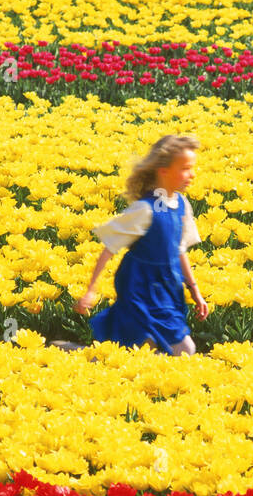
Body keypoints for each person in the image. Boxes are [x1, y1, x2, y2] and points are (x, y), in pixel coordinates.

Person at [76, 135, 209, 355]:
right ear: (163, 171)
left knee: (185, 348)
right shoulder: (145, 210)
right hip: (139, 288)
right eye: (185, 168)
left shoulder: (182, 205)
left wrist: (195, 291)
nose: (192, 174)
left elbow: (179, 249)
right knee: (145, 346)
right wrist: (90, 291)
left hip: (168, 288)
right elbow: (109, 249)